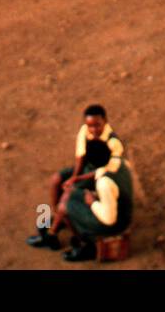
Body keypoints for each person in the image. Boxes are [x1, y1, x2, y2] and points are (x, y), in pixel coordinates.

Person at [27, 104, 125, 250]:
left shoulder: (113, 142)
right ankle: (59, 219)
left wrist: (75, 181)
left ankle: (51, 234)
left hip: (98, 176)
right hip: (85, 169)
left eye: (97, 125)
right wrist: (73, 176)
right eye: (90, 126)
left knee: (67, 195)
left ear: (105, 121)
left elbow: (106, 171)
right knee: (56, 180)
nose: (93, 130)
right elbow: (81, 156)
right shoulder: (85, 130)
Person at [59, 138, 134, 262]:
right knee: (73, 194)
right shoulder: (119, 161)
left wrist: (92, 202)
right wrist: (79, 178)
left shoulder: (104, 183)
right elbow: (101, 170)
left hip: (118, 223)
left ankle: (86, 245)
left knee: (64, 207)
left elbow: (109, 219)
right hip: (123, 208)